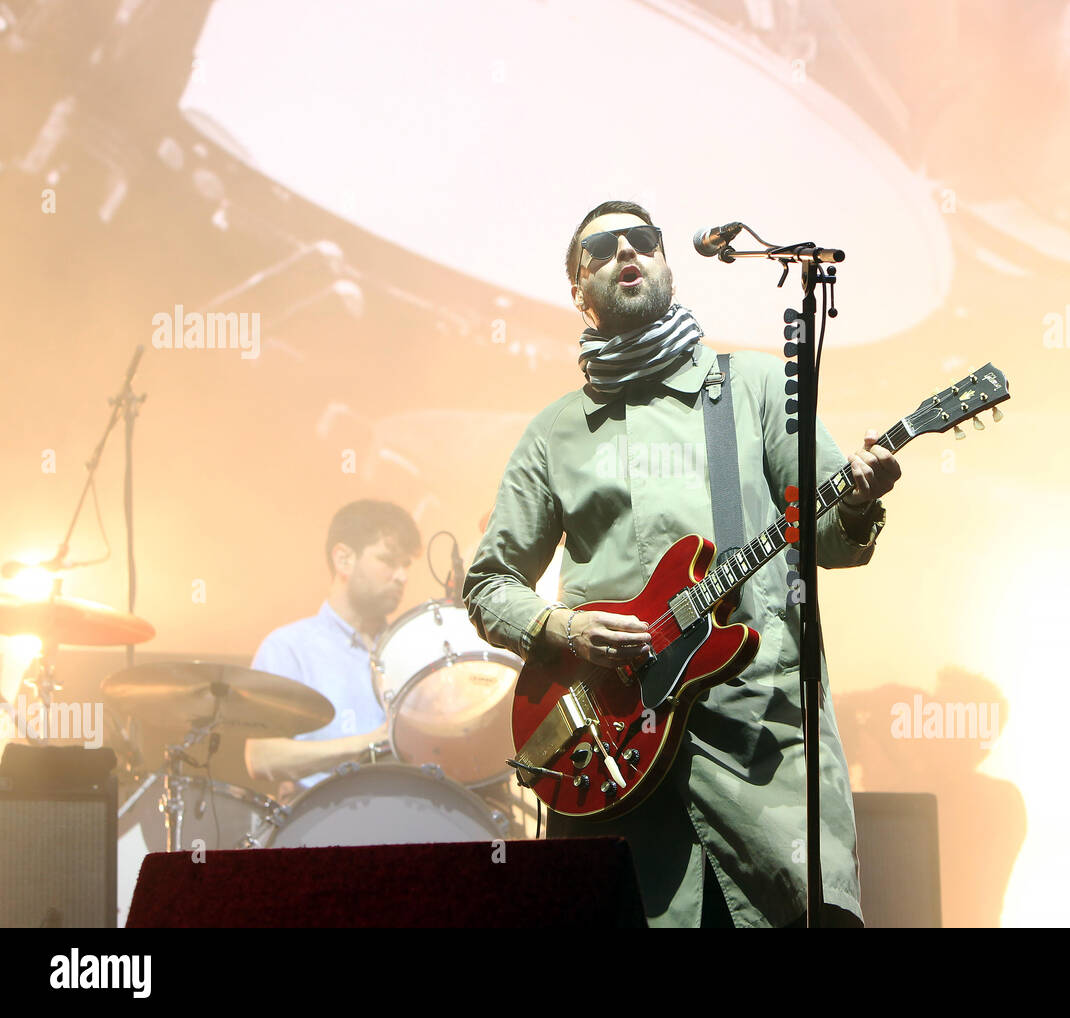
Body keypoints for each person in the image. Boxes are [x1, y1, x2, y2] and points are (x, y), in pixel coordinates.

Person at [463, 200, 899, 928]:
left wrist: (856, 502)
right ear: (579, 289)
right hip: (607, 760)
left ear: (665, 263)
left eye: (644, 241)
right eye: (602, 248)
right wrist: (566, 630)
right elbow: (488, 584)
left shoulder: (755, 388)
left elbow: (823, 535)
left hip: (757, 750)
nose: (627, 252)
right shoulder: (555, 433)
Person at [244, 500, 419, 792]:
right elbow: (261, 758)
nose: (402, 576)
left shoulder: (413, 649)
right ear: (344, 559)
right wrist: (370, 744)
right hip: (320, 822)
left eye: (406, 565)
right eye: (389, 561)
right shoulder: (288, 647)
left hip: (409, 813)